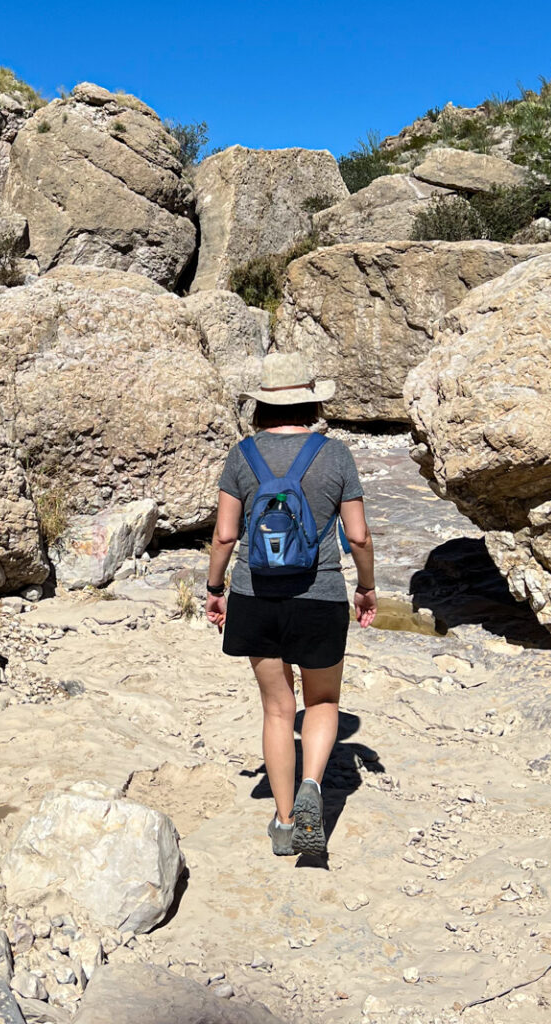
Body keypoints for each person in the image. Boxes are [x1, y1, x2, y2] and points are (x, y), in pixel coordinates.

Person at [205, 354, 376, 857]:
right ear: (312, 400)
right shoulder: (336, 454)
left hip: (255, 595)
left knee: (279, 711)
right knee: (321, 701)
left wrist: (216, 589)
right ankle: (313, 787)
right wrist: (366, 587)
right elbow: (359, 536)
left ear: (261, 404)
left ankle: (283, 822)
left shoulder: (242, 456)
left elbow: (224, 534)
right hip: (319, 594)